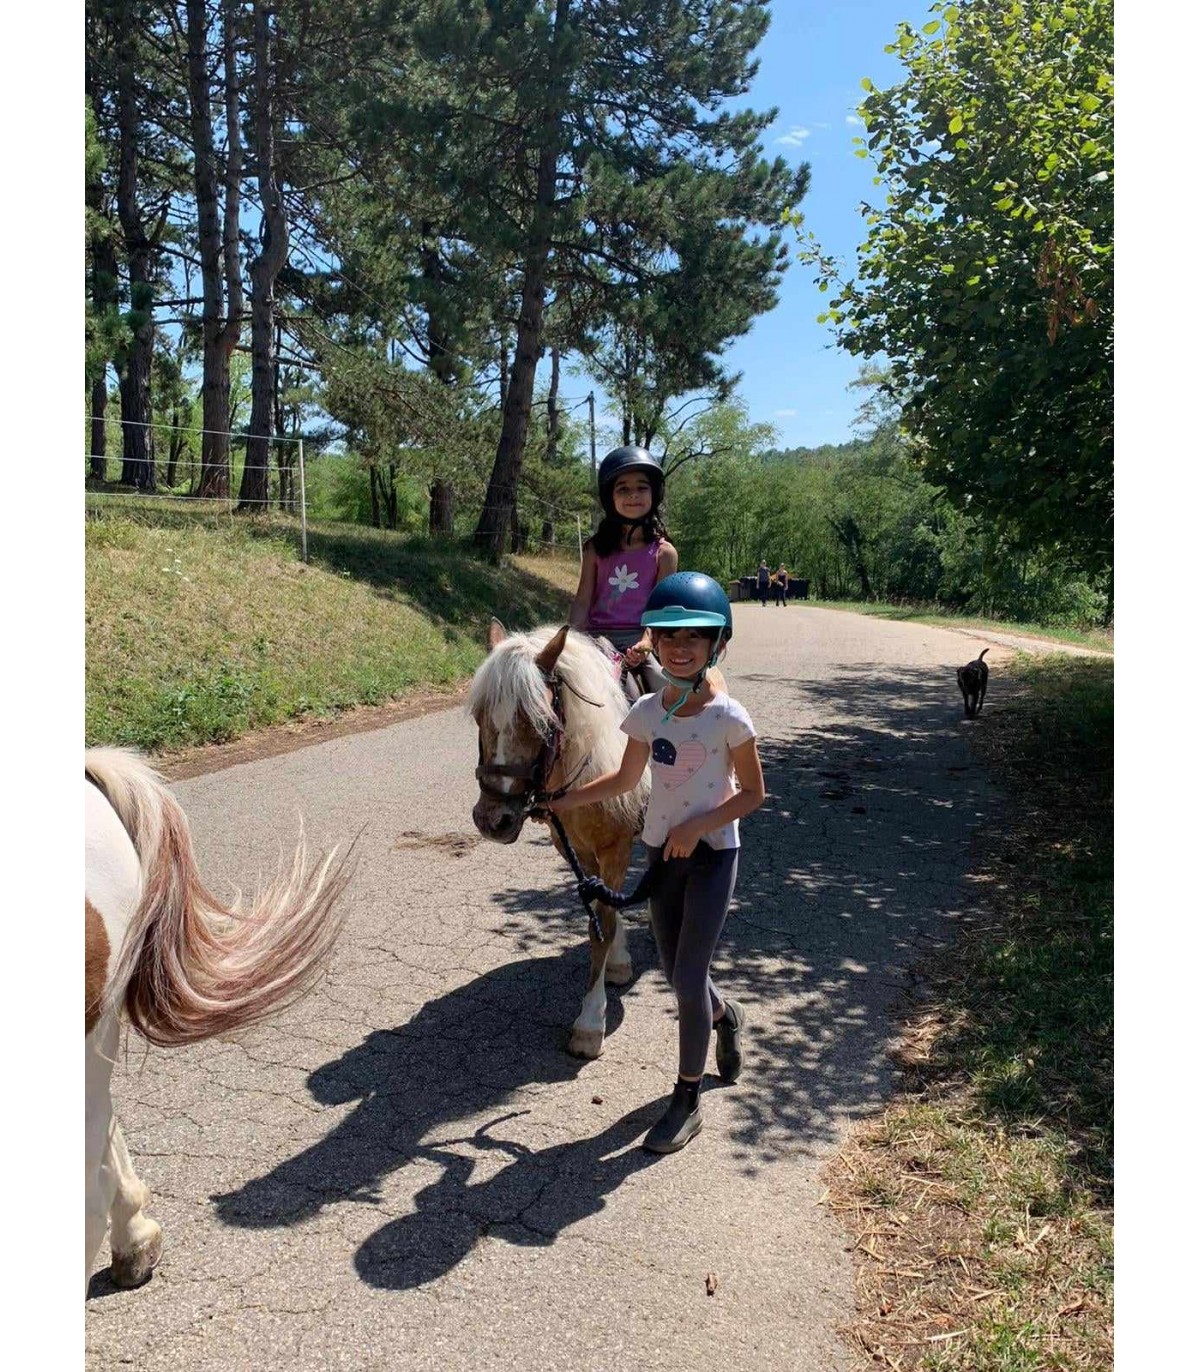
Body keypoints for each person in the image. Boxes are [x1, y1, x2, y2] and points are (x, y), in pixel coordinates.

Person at [551, 571, 766, 1153]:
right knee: (675, 974)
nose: (679, 646)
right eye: (669, 636)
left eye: (695, 637)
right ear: (655, 641)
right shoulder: (646, 711)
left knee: (688, 978)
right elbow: (624, 777)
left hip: (712, 856)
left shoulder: (729, 718)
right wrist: (561, 800)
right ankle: (726, 1018)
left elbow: (752, 795)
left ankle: (686, 1099)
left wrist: (697, 826)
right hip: (661, 854)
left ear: (717, 645)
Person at [569, 446, 677, 694]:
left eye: (642, 487)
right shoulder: (595, 549)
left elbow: (660, 609)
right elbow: (583, 601)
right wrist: (572, 639)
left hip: (640, 639)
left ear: (654, 493)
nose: (633, 495)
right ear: (611, 497)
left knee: (667, 691)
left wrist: (647, 641)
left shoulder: (664, 553)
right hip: (597, 640)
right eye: (623, 489)